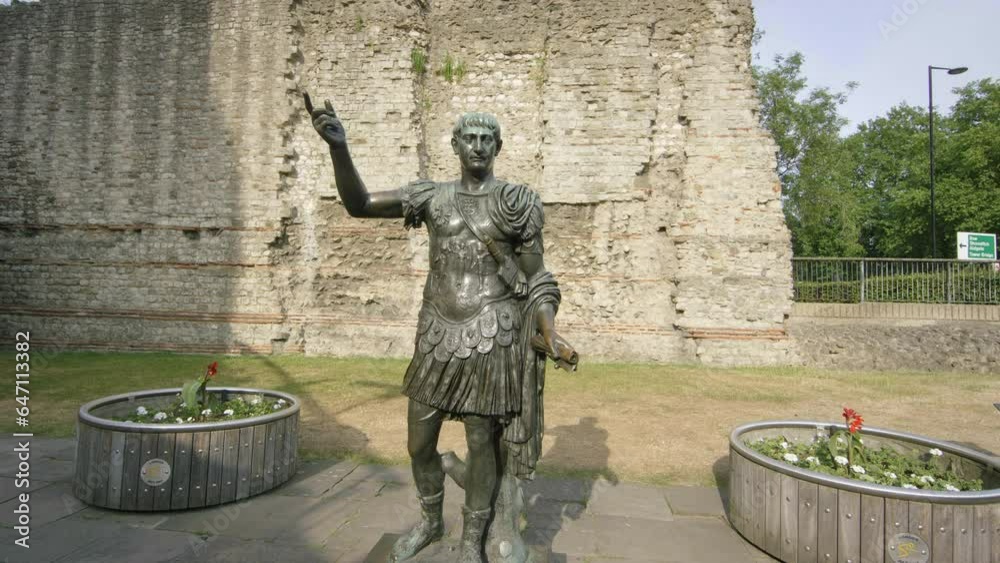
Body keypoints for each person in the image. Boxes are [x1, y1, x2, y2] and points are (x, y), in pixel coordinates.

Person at [305, 94, 577, 563]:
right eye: (469, 138)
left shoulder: (517, 203)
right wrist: (338, 148)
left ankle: (472, 540)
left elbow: (537, 277)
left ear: (498, 147)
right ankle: (430, 521)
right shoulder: (432, 197)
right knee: (418, 442)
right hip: (437, 332)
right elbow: (361, 203)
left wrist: (549, 330)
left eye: (486, 139)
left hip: (494, 331)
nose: (477, 146)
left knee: (480, 439)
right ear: (454, 145)